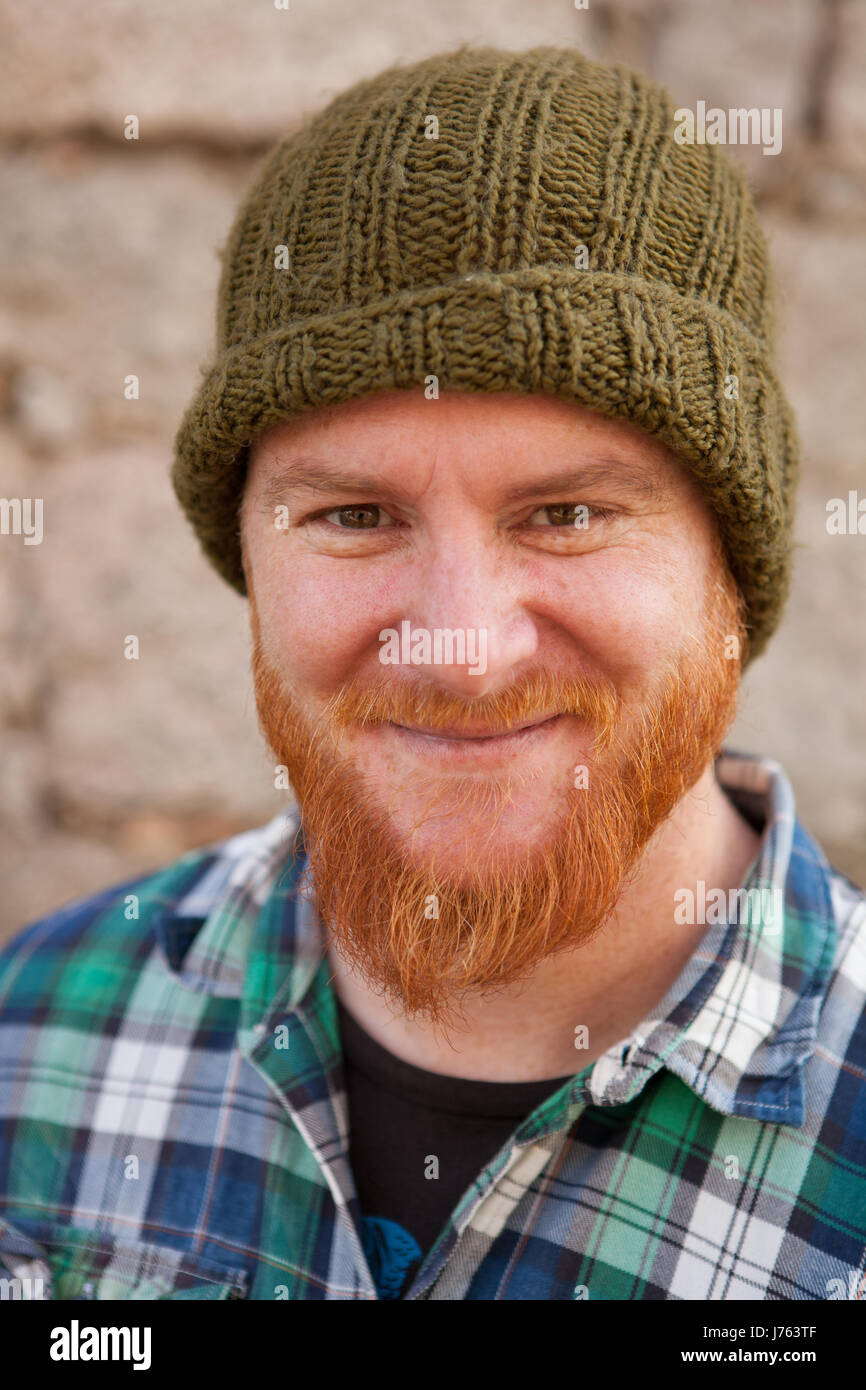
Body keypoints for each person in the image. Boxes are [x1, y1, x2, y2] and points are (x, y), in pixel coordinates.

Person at [1, 43, 864, 1303]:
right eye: (353, 515)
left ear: (726, 568)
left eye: (565, 513)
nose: (463, 650)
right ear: (243, 553)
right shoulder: (36, 1037)